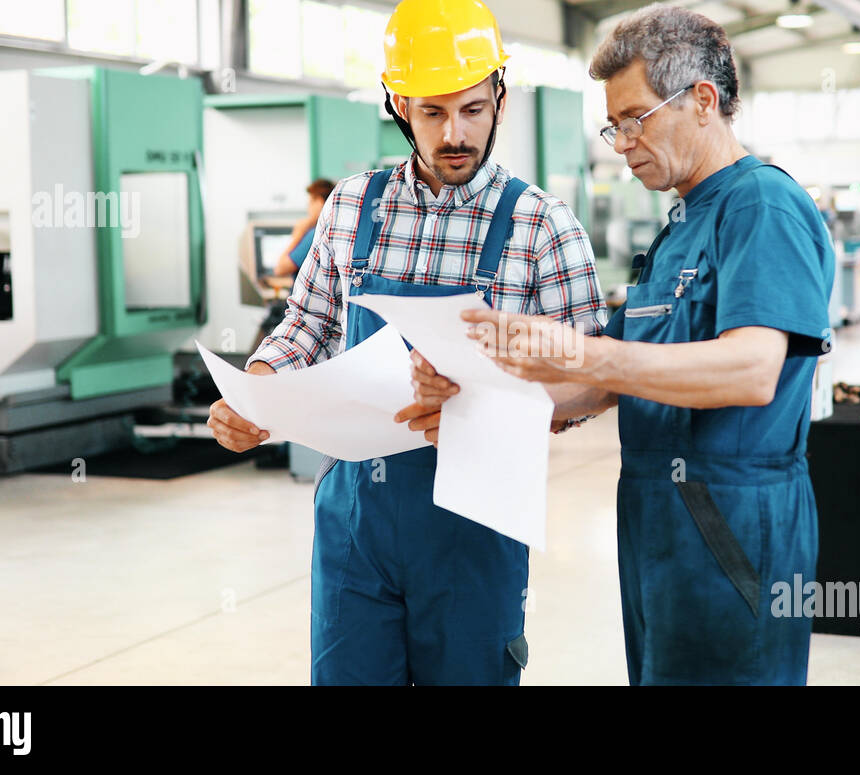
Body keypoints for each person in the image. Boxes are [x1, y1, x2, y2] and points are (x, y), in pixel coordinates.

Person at [406, 5, 833, 685]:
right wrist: (484, 401)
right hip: (656, 516)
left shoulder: (761, 206)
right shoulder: (679, 228)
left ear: (702, 101)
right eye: (614, 125)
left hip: (733, 524)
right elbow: (611, 383)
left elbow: (753, 369)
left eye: (635, 118)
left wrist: (579, 351)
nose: (621, 141)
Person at [207, 0, 605, 685]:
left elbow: (595, 376)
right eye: (432, 112)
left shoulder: (542, 225)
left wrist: (495, 403)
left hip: (475, 529)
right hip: (356, 526)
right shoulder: (353, 205)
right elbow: (305, 324)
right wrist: (257, 387)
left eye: (473, 110)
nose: (455, 133)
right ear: (398, 104)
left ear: (500, 99)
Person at [273, 178, 337, 278]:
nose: (308, 208)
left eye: (310, 203)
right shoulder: (333, 229)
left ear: (319, 202)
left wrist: (298, 234)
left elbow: (280, 269)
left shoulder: (315, 234)